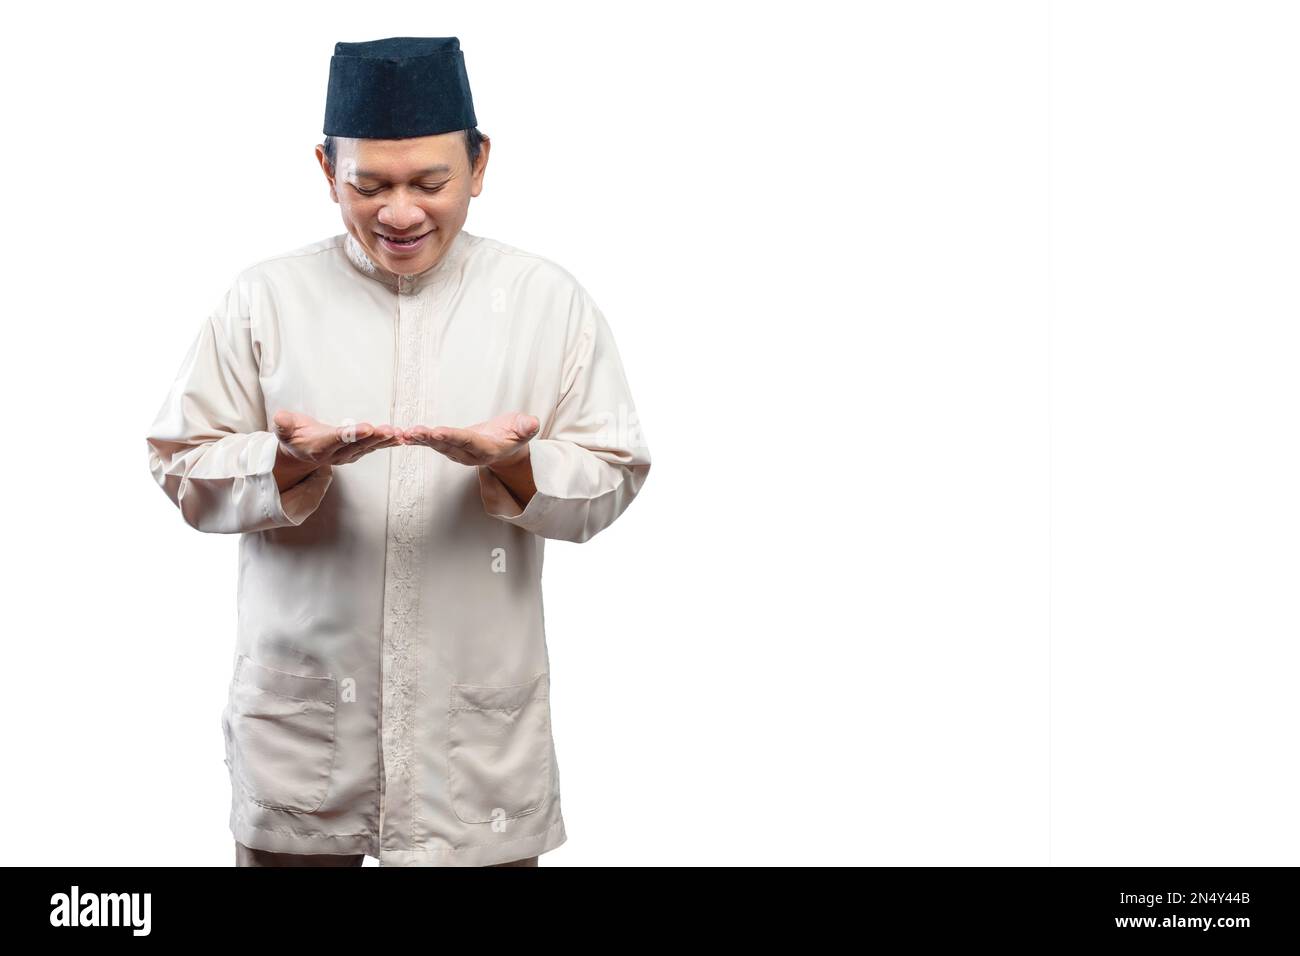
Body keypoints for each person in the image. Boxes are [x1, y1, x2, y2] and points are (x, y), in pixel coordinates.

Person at [144, 36, 651, 867]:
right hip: (303, 738)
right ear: (325, 170)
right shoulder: (265, 299)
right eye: (369, 185)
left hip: (475, 756)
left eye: (430, 182)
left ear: (480, 164)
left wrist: (511, 466)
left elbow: (615, 474)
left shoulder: (544, 301)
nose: (401, 213)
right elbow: (178, 461)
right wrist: (289, 465)